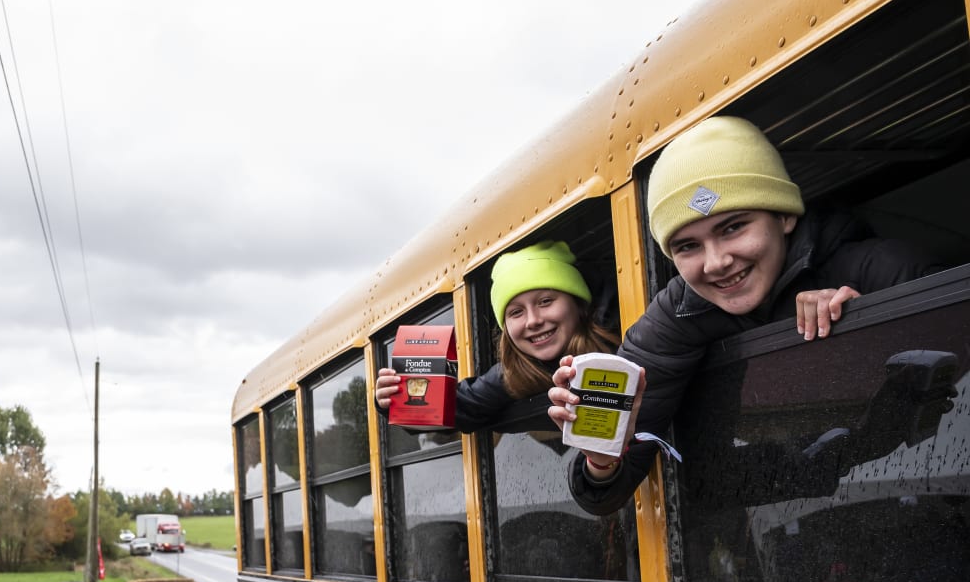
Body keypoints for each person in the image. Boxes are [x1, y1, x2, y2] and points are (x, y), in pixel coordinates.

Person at [547, 116, 944, 515]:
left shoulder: (882, 269)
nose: (717, 262)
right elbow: (605, 494)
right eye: (687, 246)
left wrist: (872, 325)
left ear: (785, 216)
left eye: (733, 227)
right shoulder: (673, 317)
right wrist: (600, 456)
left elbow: (945, 390)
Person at [375, 240, 618, 432]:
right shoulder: (514, 374)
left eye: (546, 301)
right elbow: (459, 407)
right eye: (516, 312)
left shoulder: (623, 339)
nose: (533, 320)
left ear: (580, 305)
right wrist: (393, 398)